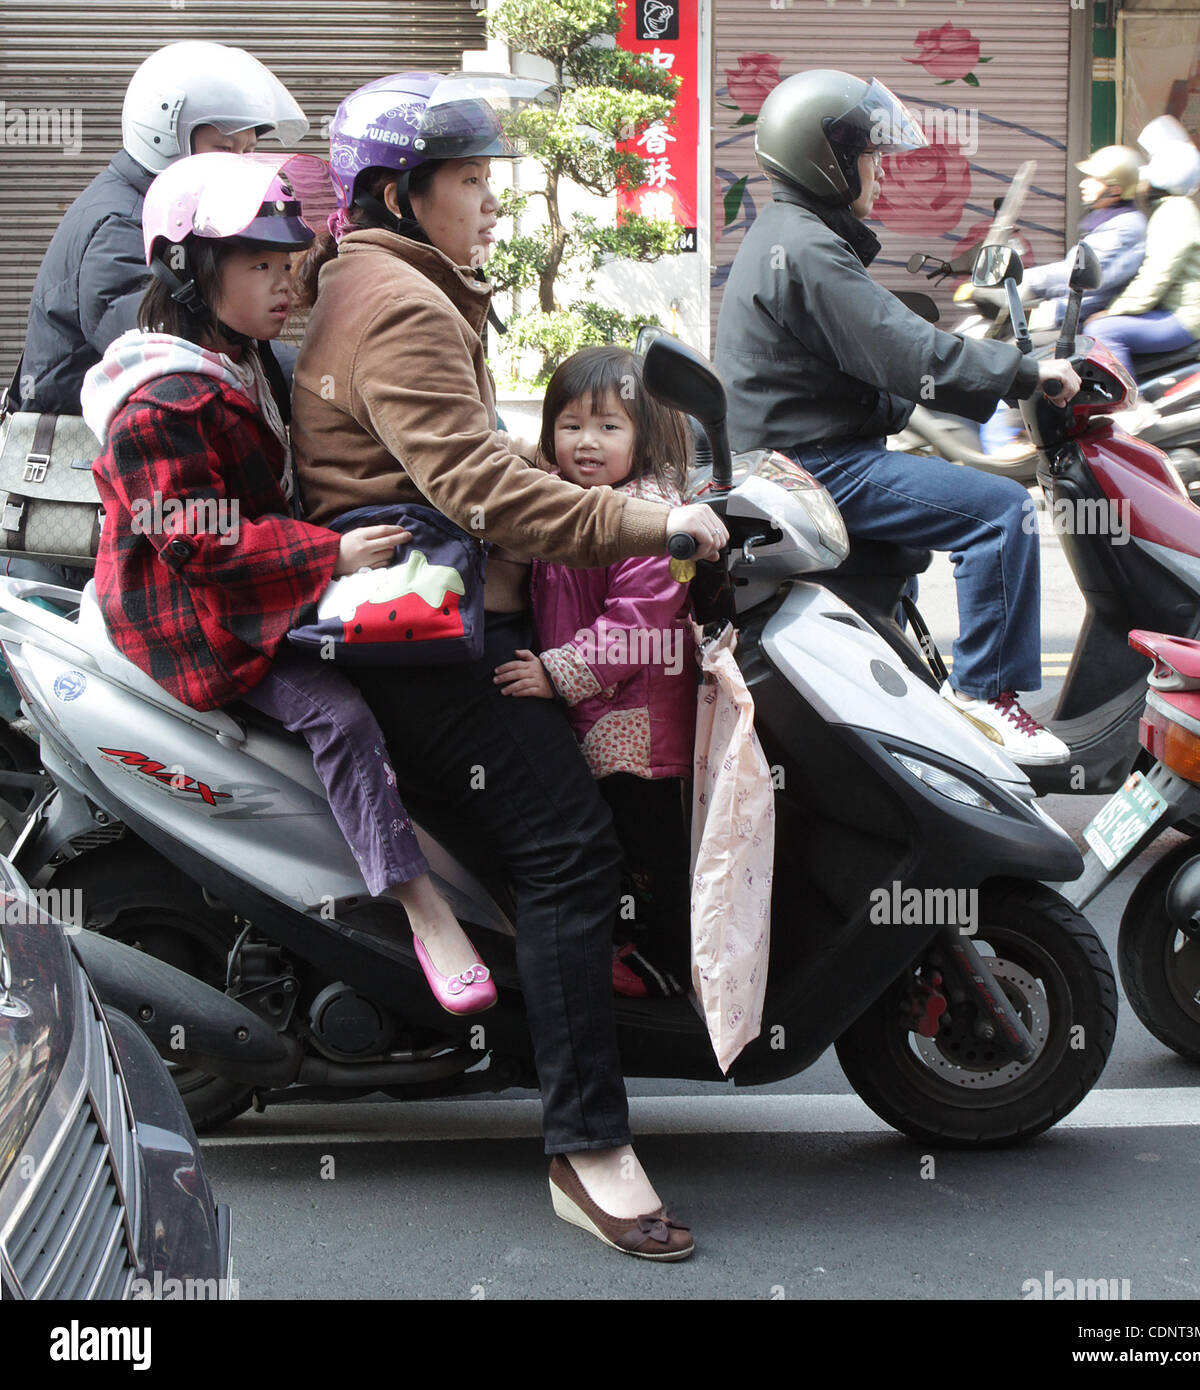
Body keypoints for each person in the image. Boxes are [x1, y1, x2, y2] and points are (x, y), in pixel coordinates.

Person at [291, 73, 727, 1260]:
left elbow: (464, 452)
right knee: (567, 848)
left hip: (425, 614)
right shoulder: (405, 305)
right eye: (472, 183)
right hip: (425, 643)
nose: (491, 206)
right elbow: (482, 490)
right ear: (399, 190)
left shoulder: (375, 280)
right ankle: (587, 1147)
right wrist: (658, 523)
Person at [81, 151, 495, 1016]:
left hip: (260, 575)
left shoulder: (244, 356)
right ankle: (426, 915)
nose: (283, 284)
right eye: (258, 266)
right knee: (336, 712)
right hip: (192, 614)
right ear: (190, 275)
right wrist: (326, 557)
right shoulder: (163, 400)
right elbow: (193, 538)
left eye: (286, 264)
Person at [713, 69, 1080, 764]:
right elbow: (903, 347)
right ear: (827, 159)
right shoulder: (807, 247)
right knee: (1001, 513)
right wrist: (1028, 373)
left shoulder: (795, 235)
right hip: (809, 467)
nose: (880, 171)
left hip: (800, 458)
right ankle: (984, 696)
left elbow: (872, 357)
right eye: (869, 155)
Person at [493, 345, 698, 998]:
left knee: (644, 856)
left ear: (646, 434)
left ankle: (661, 971)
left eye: (608, 427)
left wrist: (557, 672)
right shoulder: (563, 501)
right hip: (589, 717)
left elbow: (640, 626)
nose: (586, 442)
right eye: (570, 425)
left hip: (634, 729)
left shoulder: (647, 516)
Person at [10, 41, 307, 418]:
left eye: (249, 152)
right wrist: (313, 376)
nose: (242, 167)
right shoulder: (123, 225)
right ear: (165, 140)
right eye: (225, 150)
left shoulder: (176, 213)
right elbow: (174, 340)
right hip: (91, 452)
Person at [979, 145, 1147, 456]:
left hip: (1081, 317)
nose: (1083, 183)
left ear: (1114, 187)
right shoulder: (1106, 220)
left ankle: (1009, 440)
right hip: (1072, 312)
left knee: (1017, 357)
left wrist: (1027, 281)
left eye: (1092, 179)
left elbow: (1077, 273)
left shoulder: (1124, 228)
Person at [1085, 117, 1200, 373]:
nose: (1142, 180)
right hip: (1179, 312)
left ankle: (1132, 408)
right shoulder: (1172, 209)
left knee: (1101, 329)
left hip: (1185, 318)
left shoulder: (1174, 212)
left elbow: (1156, 275)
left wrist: (1113, 311)